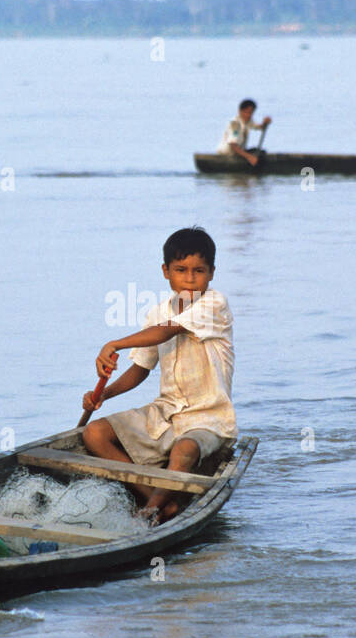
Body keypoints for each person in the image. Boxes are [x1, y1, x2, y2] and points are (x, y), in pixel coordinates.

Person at [81, 227, 237, 525]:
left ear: (212, 273)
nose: (190, 279)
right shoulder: (156, 313)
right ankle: (161, 499)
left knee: (185, 449)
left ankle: (149, 510)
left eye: (198, 271)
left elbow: (168, 330)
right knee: (94, 433)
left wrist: (114, 343)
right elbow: (141, 369)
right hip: (166, 414)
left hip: (208, 417)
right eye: (181, 270)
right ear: (166, 271)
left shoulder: (215, 304)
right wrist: (103, 394)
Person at [216, 99, 272, 166]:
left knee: (260, 152)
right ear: (240, 111)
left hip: (238, 153)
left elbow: (260, 127)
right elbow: (233, 145)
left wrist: (265, 123)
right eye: (246, 112)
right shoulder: (236, 124)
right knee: (254, 156)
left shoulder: (248, 121)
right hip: (228, 155)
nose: (248, 115)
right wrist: (249, 157)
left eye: (251, 113)